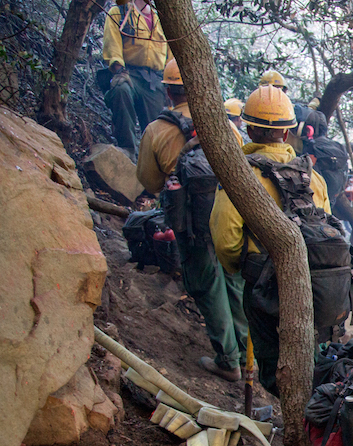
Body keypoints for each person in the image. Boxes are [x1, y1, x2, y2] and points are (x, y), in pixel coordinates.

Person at [210, 85, 334, 395]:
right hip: (311, 283)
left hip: (262, 283)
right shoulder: (313, 177)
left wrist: (241, 268)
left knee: (271, 367)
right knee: (307, 358)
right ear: (289, 129)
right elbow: (326, 227)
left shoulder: (240, 174)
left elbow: (226, 238)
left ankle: (292, 418)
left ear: (249, 128)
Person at [136, 59, 248, 382]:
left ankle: (228, 360)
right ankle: (244, 351)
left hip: (189, 220)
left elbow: (151, 182)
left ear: (168, 93)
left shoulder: (156, 131)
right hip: (228, 215)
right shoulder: (225, 126)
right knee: (234, 280)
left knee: (204, 281)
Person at [101, 0, 170, 154]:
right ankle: (128, 150)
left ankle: (153, 163)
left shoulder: (162, 18)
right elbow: (112, 45)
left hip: (155, 79)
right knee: (121, 90)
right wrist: (119, 70)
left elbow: (171, 54)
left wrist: (170, 82)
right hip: (129, 73)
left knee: (158, 126)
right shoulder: (120, 12)